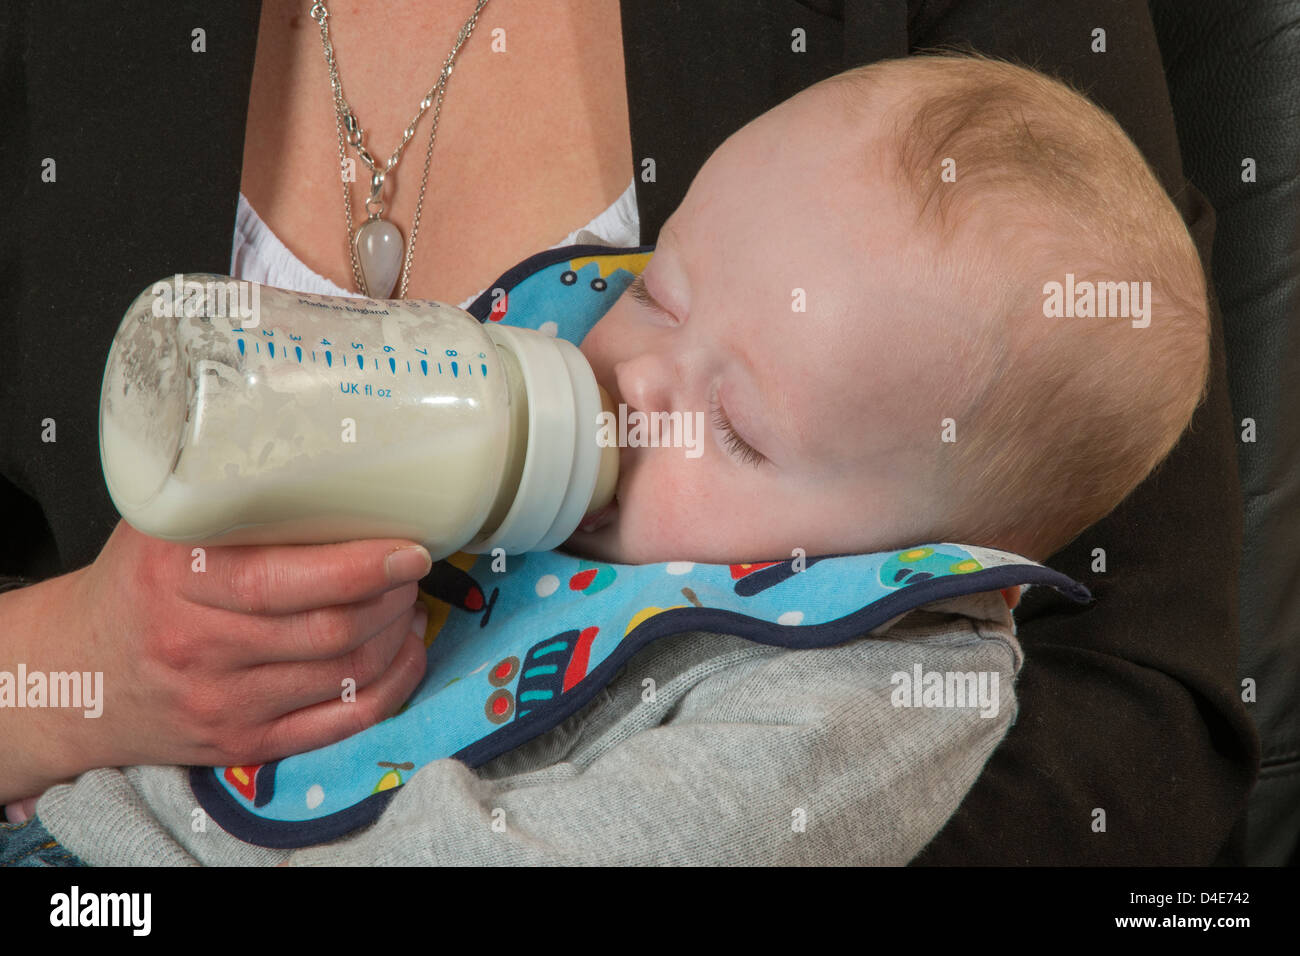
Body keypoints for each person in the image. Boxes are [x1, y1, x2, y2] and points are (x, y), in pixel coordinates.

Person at [0, 0, 1255, 865]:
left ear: (921, 560)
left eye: (744, 433)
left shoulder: (850, 698)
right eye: (655, 289)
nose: (637, 381)